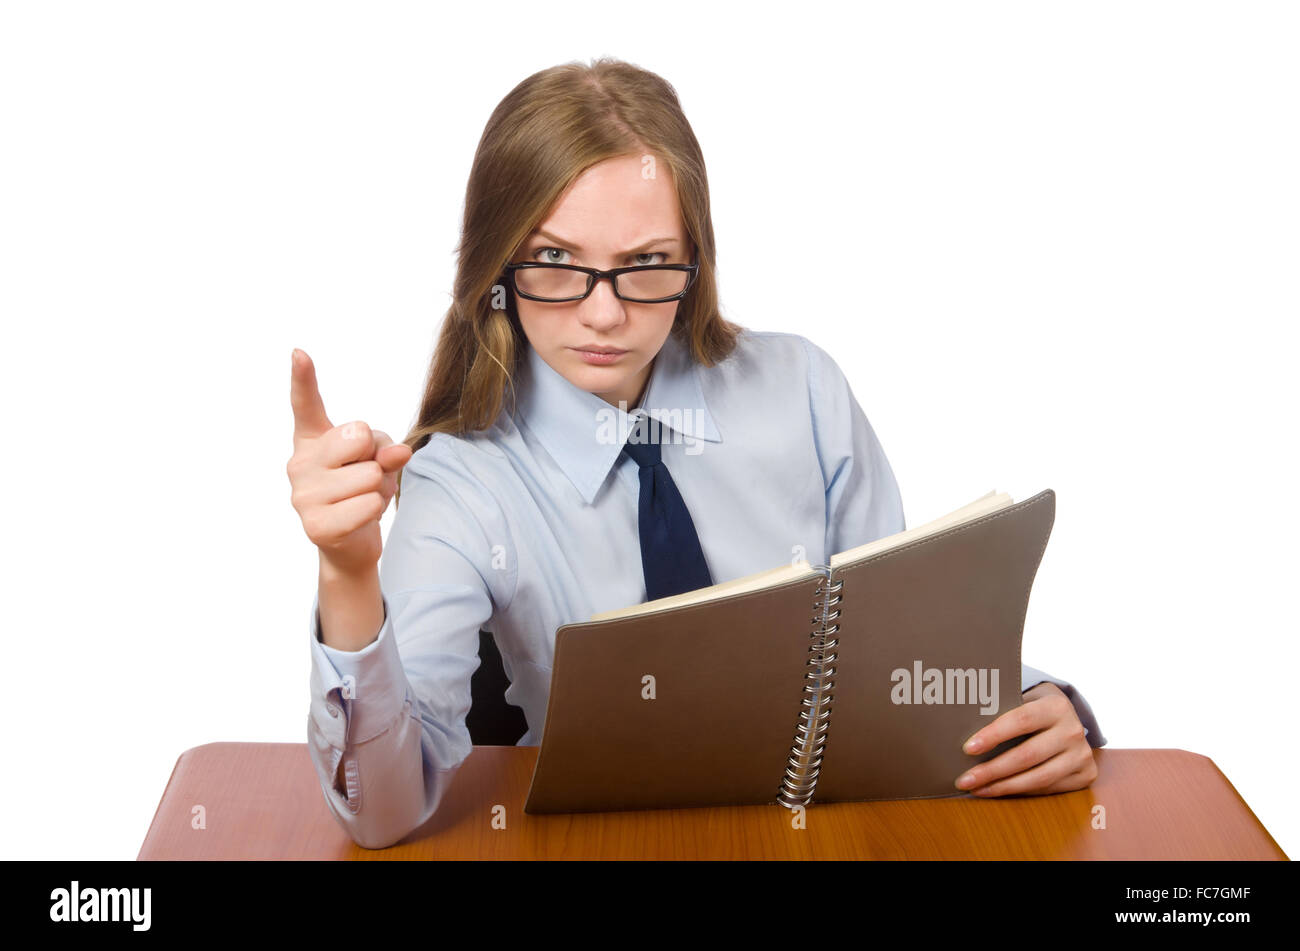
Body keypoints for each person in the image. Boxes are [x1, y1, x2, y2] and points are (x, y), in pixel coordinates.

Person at [287, 57, 1106, 850]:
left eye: (644, 264)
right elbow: (381, 813)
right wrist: (349, 573)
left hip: (817, 837)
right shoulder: (463, 481)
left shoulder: (802, 391)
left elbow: (897, 662)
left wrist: (1034, 701)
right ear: (500, 263)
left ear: (695, 258)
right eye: (556, 261)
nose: (603, 315)